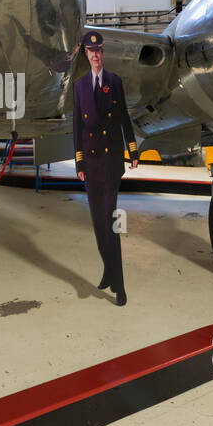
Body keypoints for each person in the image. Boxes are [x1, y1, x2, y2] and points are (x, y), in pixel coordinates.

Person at [72, 31, 138, 306]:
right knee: (98, 224)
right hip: (90, 163)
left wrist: (132, 148)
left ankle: (119, 286)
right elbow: (77, 125)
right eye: (91, 51)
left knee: (110, 223)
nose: (96, 55)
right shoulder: (79, 86)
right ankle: (108, 271)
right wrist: (79, 162)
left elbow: (123, 117)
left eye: (99, 50)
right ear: (86, 55)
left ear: (102, 53)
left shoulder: (114, 81)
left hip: (110, 162)